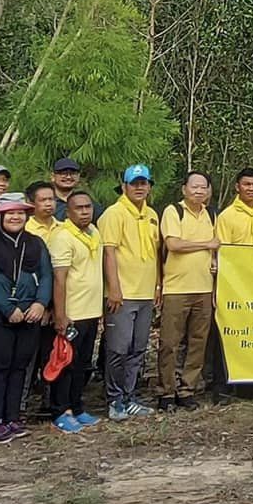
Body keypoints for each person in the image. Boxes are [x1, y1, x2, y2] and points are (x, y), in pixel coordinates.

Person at [0, 196, 47, 443]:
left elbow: (46, 276)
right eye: (10, 213)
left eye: (20, 213)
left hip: (29, 315)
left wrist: (40, 303)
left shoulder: (36, 244)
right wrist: (6, 308)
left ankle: (13, 416)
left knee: (19, 367)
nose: (15, 217)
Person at [99, 165, 162, 421]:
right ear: (124, 186)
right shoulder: (114, 214)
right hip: (122, 294)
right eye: (134, 183)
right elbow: (109, 252)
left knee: (138, 348)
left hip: (146, 293)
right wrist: (114, 288)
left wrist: (158, 285)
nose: (139, 187)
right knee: (118, 348)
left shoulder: (151, 215)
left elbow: (156, 253)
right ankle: (114, 400)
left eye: (144, 183)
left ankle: (130, 396)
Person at [158, 171, 221, 411]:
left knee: (198, 342)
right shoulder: (174, 212)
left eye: (203, 187)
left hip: (204, 288)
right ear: (184, 189)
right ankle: (166, 391)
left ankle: (187, 389)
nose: (198, 191)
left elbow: (218, 247)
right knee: (169, 343)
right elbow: (173, 244)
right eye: (194, 186)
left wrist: (214, 257)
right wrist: (206, 245)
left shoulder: (211, 214)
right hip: (176, 288)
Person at [46, 191, 105, 433]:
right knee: (65, 364)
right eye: (78, 208)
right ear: (68, 212)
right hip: (72, 312)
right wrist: (60, 314)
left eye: (87, 207)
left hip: (91, 311)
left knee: (82, 364)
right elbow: (59, 279)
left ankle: (77, 407)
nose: (84, 212)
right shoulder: (62, 237)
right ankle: (61, 410)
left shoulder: (94, 232)